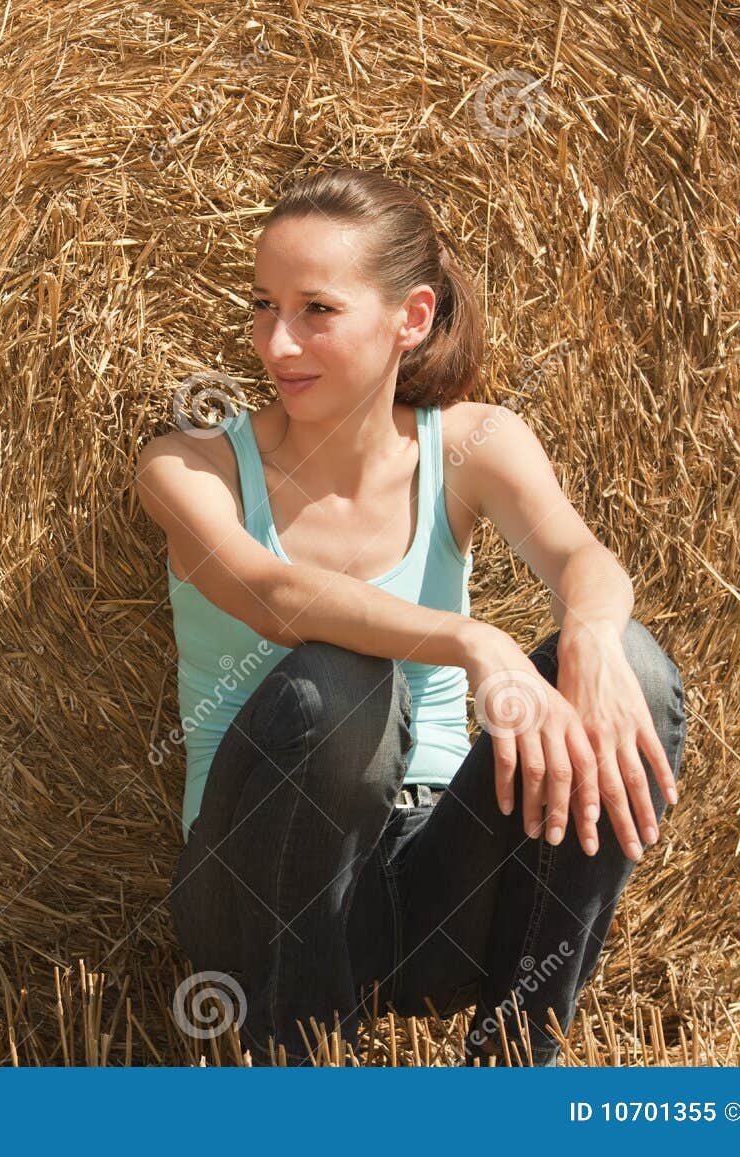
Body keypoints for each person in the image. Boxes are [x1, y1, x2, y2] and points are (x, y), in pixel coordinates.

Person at [134, 167, 685, 1067]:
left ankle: (509, 1075)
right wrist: (477, 640)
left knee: (638, 665)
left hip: (440, 891)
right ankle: (302, 1069)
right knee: (341, 679)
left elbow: (581, 559)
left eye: (317, 309)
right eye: (264, 305)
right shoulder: (190, 465)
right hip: (260, 900)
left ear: (412, 318)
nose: (277, 342)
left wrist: (585, 631)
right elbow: (279, 598)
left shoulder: (472, 443)